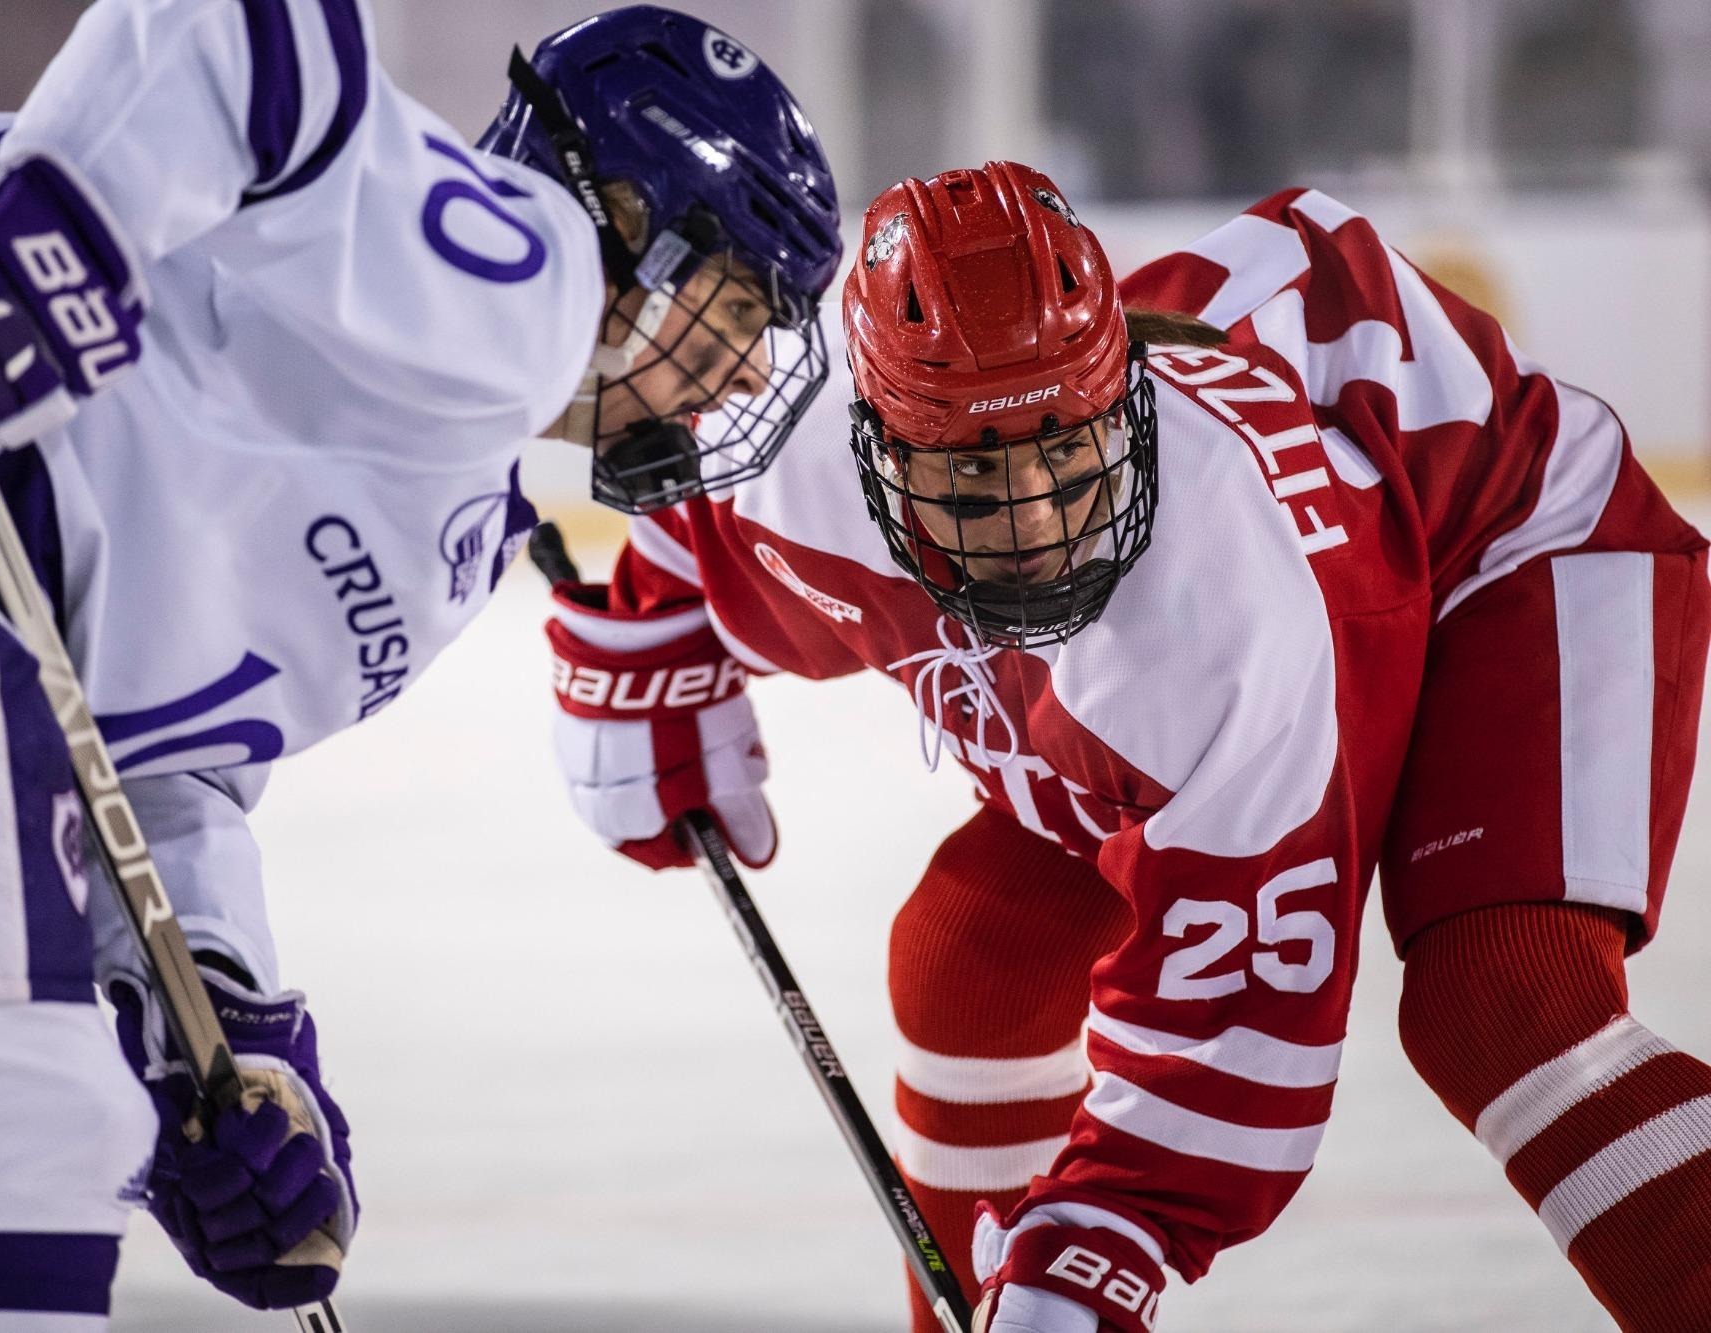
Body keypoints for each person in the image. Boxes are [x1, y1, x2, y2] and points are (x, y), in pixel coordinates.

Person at [0, 4, 840, 1328]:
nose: (743, 369)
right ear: (639, 220)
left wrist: (215, 1020)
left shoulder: (456, 543)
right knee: (2, 1120)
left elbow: (158, 764)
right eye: (742, 301)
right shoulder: (524, 278)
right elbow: (236, 30)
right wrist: (28, 269)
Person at [545, 160, 1711, 1332]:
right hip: (1314, 576)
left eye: (1064, 448)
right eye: (972, 469)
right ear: (873, 452)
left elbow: (1234, 1044)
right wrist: (645, 655)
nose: (1038, 523)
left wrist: (1089, 1254)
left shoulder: (1214, 606)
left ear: (1123, 402)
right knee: (970, 960)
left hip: (1504, 549)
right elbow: (701, 539)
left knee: (1507, 1004)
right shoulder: (795, 469)